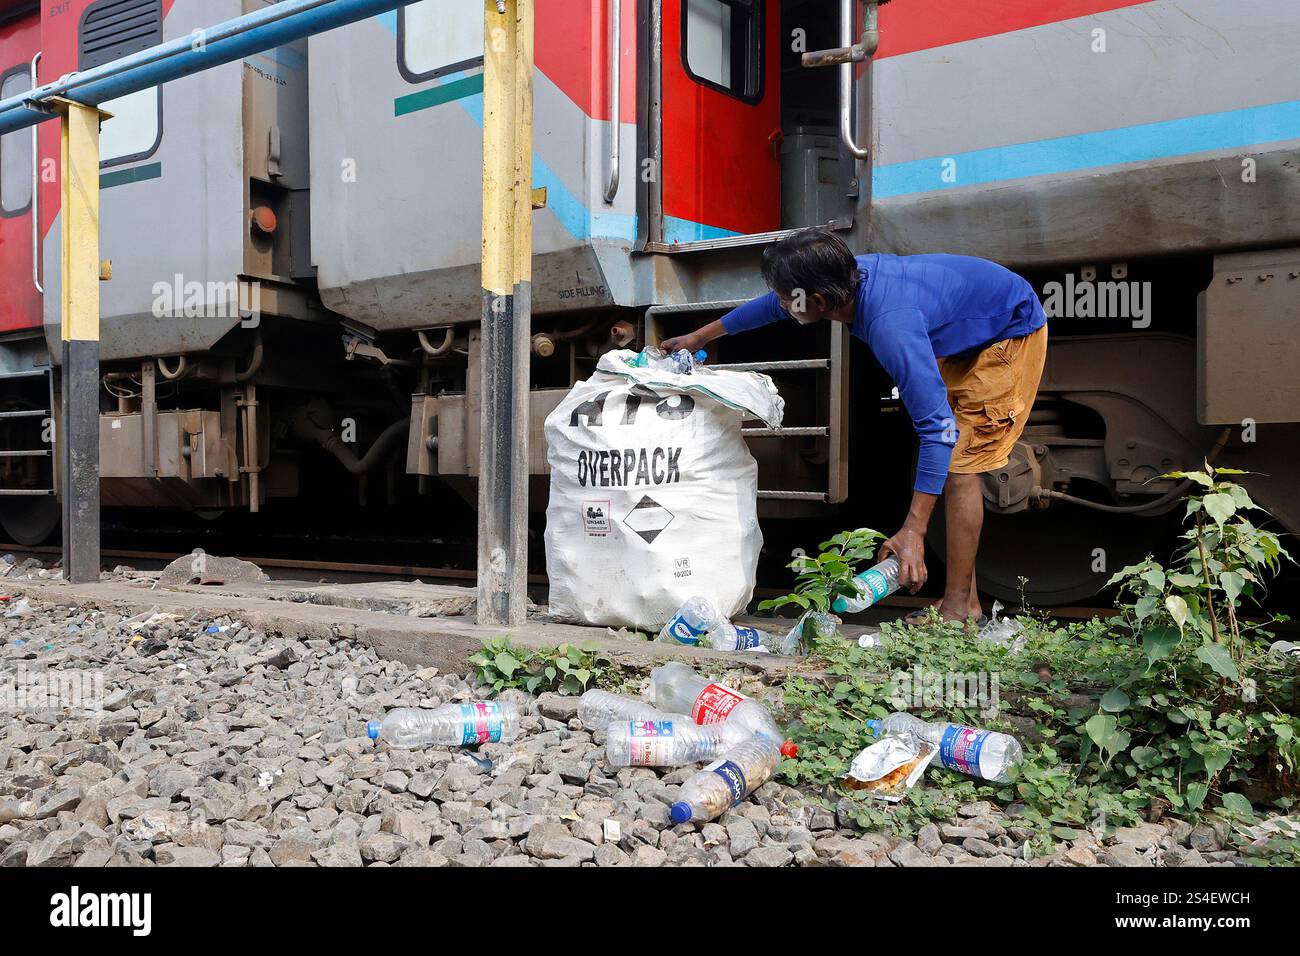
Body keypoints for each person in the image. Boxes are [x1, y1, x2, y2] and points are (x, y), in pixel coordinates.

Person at [661, 229, 1048, 625]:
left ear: (820, 302)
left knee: (961, 467)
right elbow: (772, 308)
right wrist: (698, 336)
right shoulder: (841, 278)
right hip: (966, 328)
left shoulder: (890, 325)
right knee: (950, 458)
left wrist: (913, 531)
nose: (781, 303)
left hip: (1007, 331)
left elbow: (937, 430)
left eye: (786, 295)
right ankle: (964, 604)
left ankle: (958, 612)